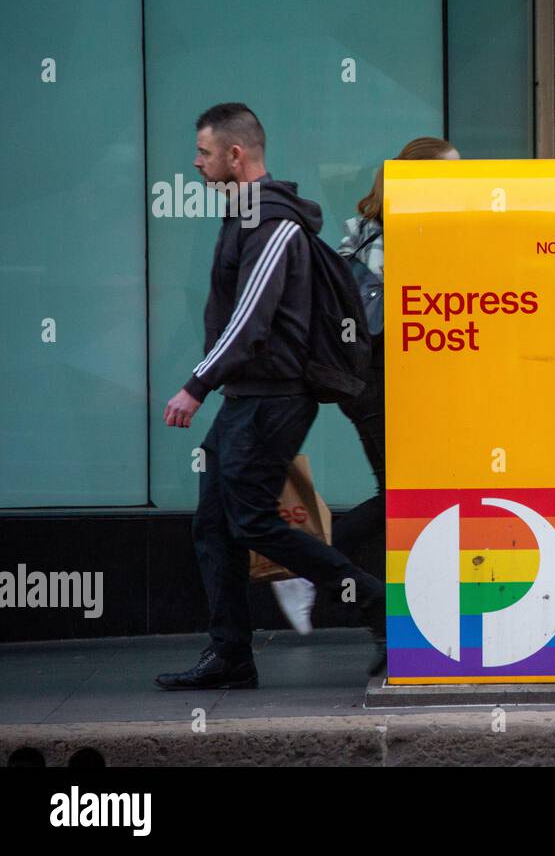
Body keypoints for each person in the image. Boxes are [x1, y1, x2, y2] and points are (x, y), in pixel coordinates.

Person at [155, 102, 387, 690]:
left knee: (253, 521)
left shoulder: (273, 224)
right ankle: (230, 654)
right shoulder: (244, 216)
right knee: (213, 524)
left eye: (205, 152)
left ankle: (373, 601)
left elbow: (250, 320)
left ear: (236, 155)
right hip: (248, 396)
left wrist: (195, 385)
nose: (197, 162)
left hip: (273, 398)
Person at [271, 137, 460, 634]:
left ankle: (375, 606)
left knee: (401, 491)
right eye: (451, 173)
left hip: (376, 384)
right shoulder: (391, 238)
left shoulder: (378, 230)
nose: (462, 182)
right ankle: (306, 565)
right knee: (402, 493)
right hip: (372, 384)